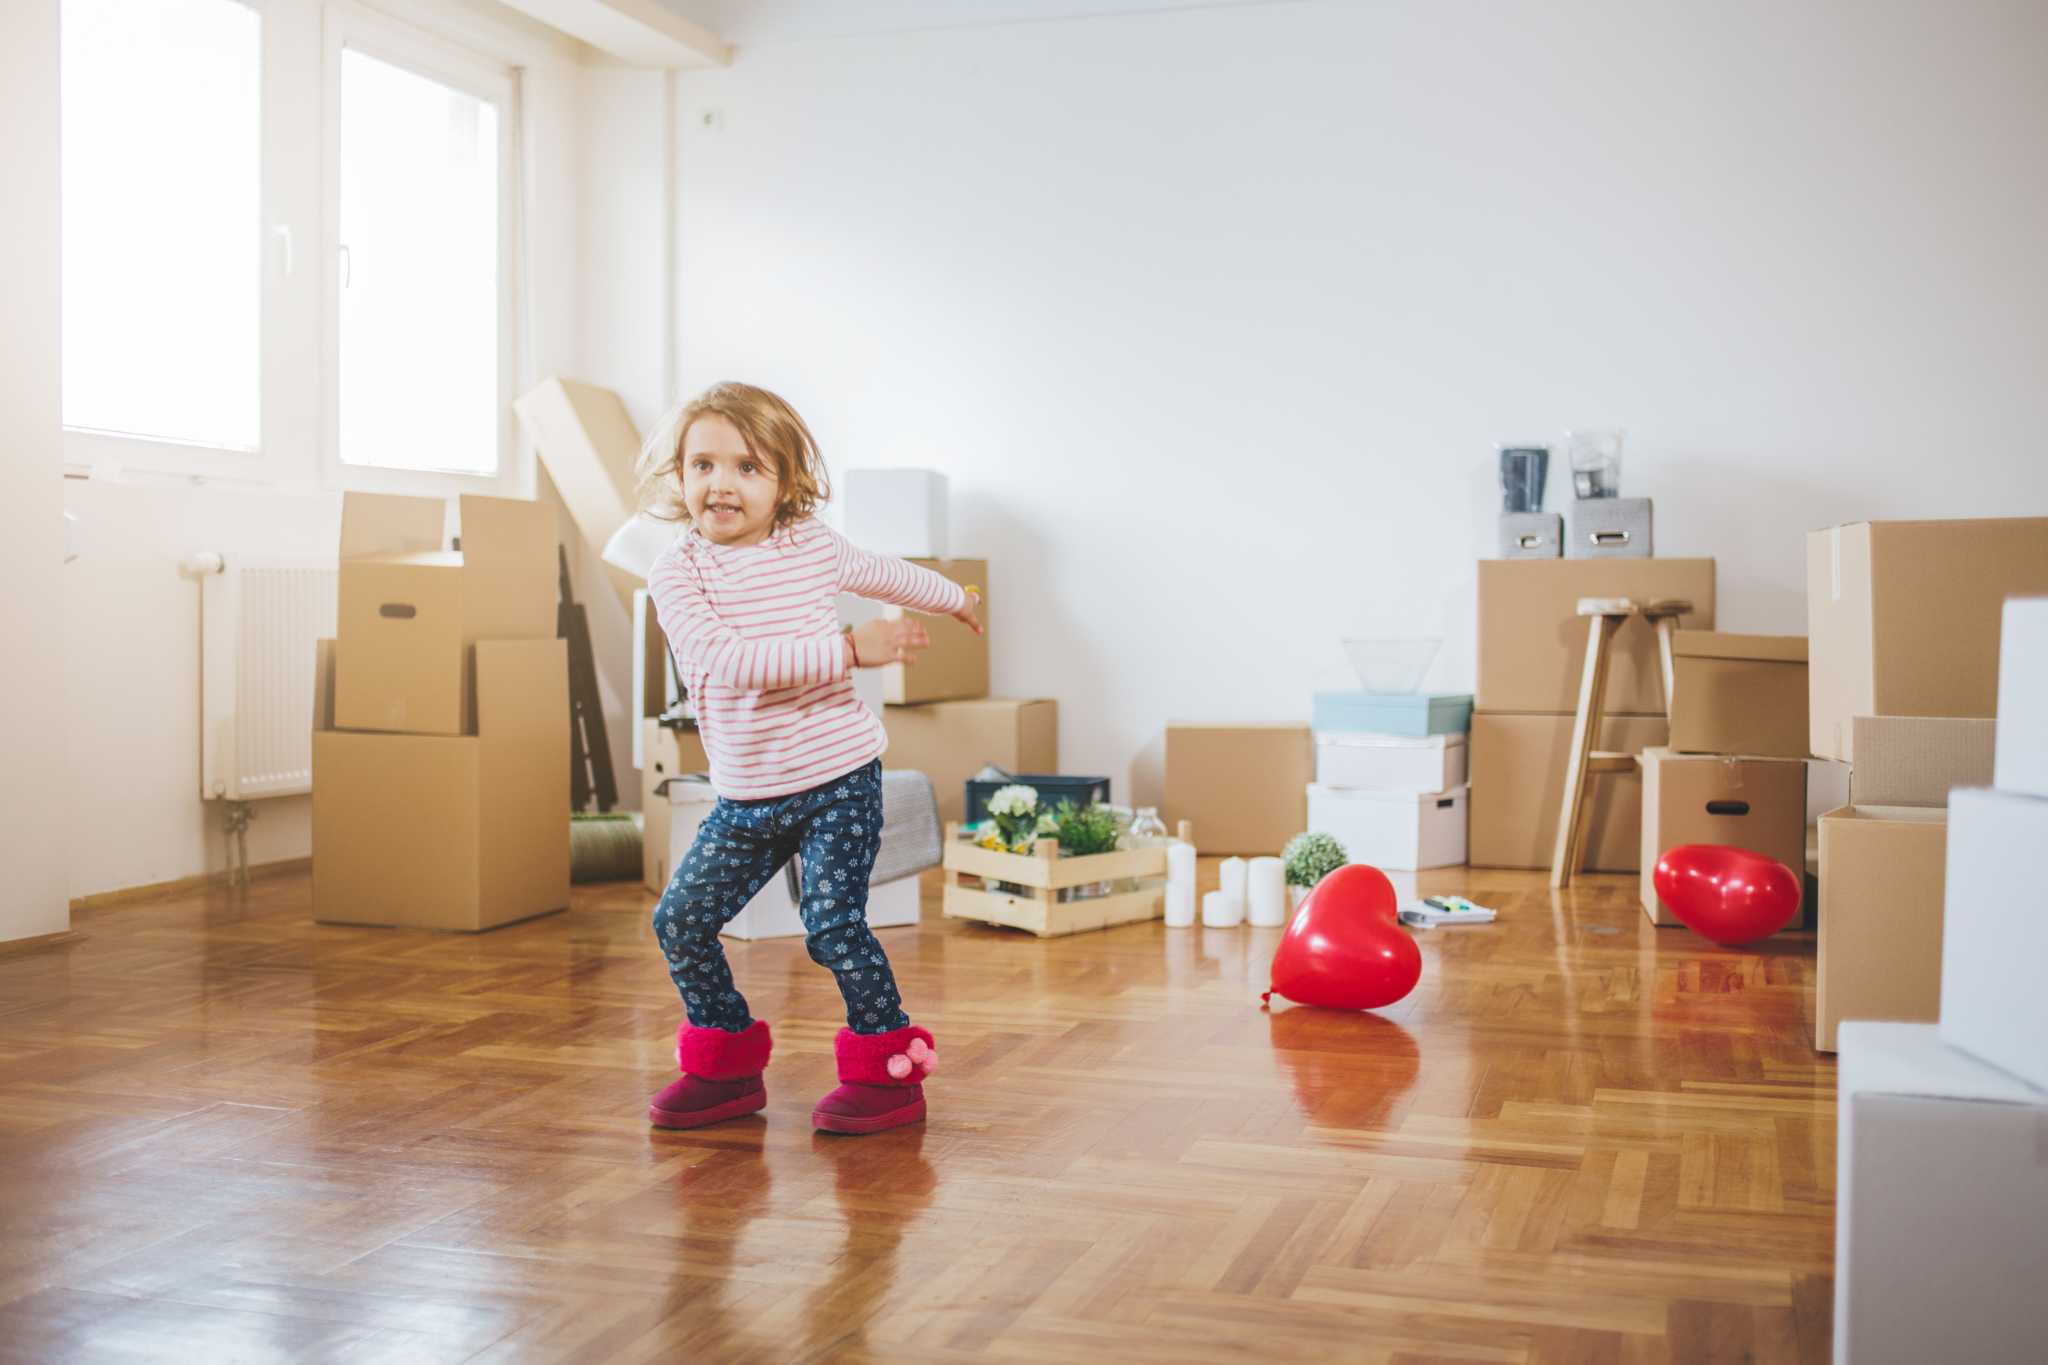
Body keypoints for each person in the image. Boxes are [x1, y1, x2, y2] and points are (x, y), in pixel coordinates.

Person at [636, 382, 979, 1134]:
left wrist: (954, 595)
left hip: (838, 780)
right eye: (702, 465)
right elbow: (724, 662)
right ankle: (724, 1065)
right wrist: (852, 650)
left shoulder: (811, 545)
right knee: (681, 920)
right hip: (749, 796)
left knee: (831, 925)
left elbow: (885, 572)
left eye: (747, 467)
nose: (720, 483)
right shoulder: (677, 573)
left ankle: (888, 1070)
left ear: (785, 480)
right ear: (679, 475)